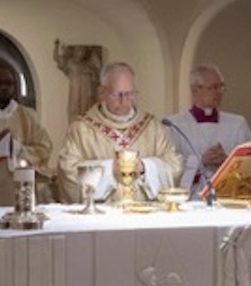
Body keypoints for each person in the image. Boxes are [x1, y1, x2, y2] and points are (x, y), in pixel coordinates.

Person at [56, 61, 183, 203]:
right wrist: (108, 169)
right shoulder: (81, 129)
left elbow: (174, 166)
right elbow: (67, 170)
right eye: (117, 94)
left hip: (144, 215)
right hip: (101, 218)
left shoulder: (152, 127)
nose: (124, 101)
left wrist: (145, 167)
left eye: (129, 94)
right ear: (102, 92)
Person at [0, 60, 54, 206]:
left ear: (15, 86)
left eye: (9, 83)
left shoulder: (27, 115)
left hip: (20, 187)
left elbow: (44, 148)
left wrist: (17, 148)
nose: (4, 87)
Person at [164, 64, 251, 199]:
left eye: (221, 86)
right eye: (213, 87)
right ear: (195, 90)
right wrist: (200, 162)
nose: (219, 92)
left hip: (229, 200)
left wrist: (228, 162)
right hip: (191, 201)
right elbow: (169, 170)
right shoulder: (174, 125)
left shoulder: (237, 124)